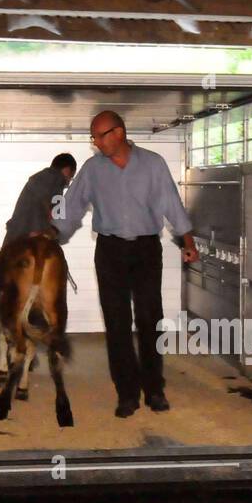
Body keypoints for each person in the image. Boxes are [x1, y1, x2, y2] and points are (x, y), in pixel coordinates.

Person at [57, 110, 199, 417]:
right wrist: (48, 234)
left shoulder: (152, 164)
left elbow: (171, 203)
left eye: (99, 135)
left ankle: (155, 389)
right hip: (109, 251)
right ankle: (127, 394)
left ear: (118, 133)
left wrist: (188, 242)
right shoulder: (93, 169)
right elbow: (71, 206)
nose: (95, 142)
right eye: (93, 137)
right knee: (117, 324)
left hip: (147, 250)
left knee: (150, 320)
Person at [4, 153, 77, 245]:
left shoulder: (40, 178)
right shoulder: (58, 180)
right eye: (71, 177)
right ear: (67, 170)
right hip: (31, 239)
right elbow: (57, 216)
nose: (68, 183)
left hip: (15, 234)